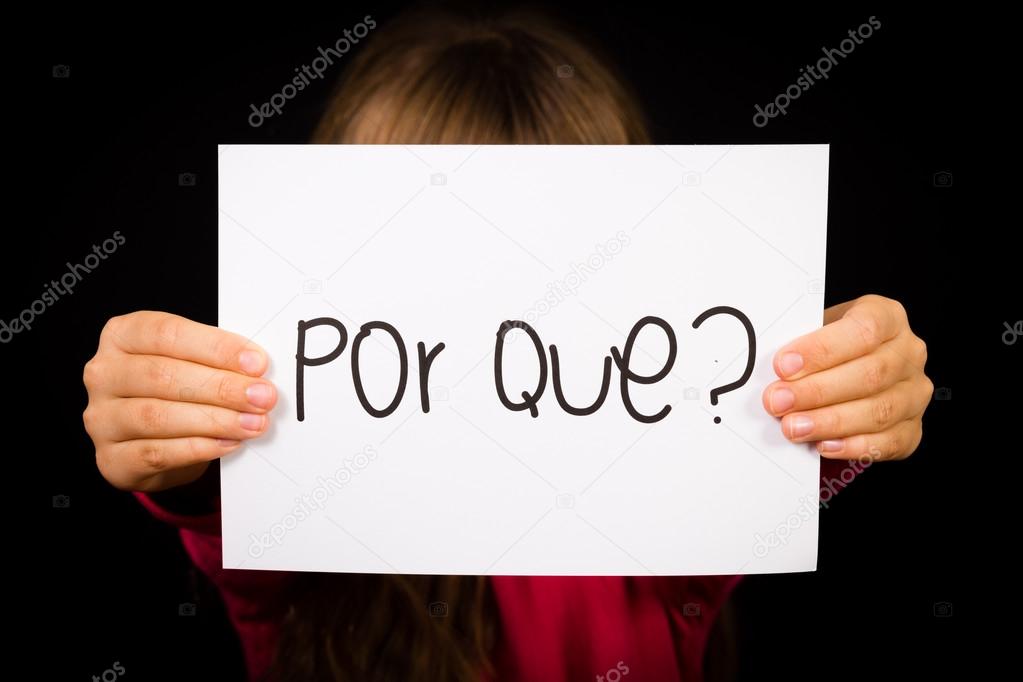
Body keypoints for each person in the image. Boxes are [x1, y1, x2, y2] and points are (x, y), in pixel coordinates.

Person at [81, 7, 933, 681]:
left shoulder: (662, 521)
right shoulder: (308, 515)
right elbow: (224, 508)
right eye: (436, 247)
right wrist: (175, 428)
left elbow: (766, 453)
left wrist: (845, 386)